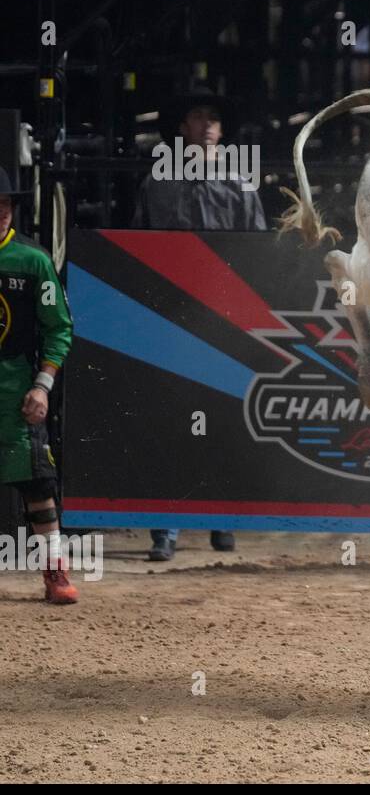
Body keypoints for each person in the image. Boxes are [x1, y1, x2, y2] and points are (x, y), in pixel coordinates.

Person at [131, 86, 264, 560]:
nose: (206, 124)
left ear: (222, 129)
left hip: (223, 316)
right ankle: (165, 531)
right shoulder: (157, 181)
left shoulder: (241, 179)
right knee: (170, 419)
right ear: (182, 127)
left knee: (225, 416)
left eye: (213, 117)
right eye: (197, 116)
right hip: (173, 316)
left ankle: (221, 519)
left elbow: (257, 251)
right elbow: (139, 247)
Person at [0, 172, 77, 604]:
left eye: (5, 204)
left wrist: (42, 387)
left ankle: (55, 573)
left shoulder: (33, 260)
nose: (0, 212)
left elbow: (59, 330)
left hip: (15, 389)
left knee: (38, 483)